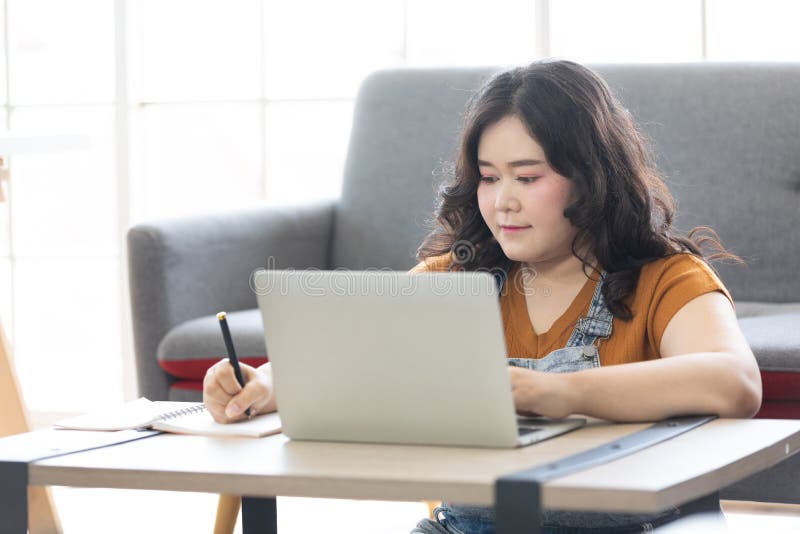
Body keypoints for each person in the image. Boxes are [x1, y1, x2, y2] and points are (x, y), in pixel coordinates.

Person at [202, 59, 762, 533]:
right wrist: (263, 383)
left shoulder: (668, 278)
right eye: (490, 178)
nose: (502, 203)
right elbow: (345, 360)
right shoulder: (451, 281)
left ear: (593, 178)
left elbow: (734, 382)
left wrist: (555, 392)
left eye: (527, 177)